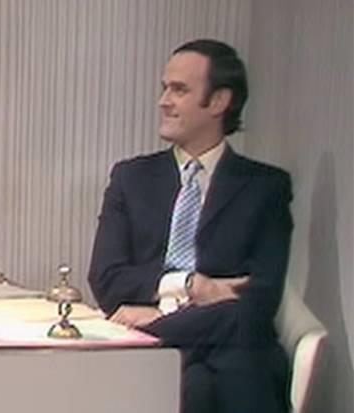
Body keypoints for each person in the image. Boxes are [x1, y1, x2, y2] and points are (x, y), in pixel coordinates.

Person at [87, 39, 292, 413]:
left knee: (222, 367)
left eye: (179, 90)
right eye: (164, 88)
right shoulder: (131, 178)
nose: (163, 101)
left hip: (218, 348)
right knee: (199, 382)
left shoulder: (265, 187)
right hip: (165, 358)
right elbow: (106, 279)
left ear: (219, 101)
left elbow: (258, 301)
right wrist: (191, 285)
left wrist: (163, 319)